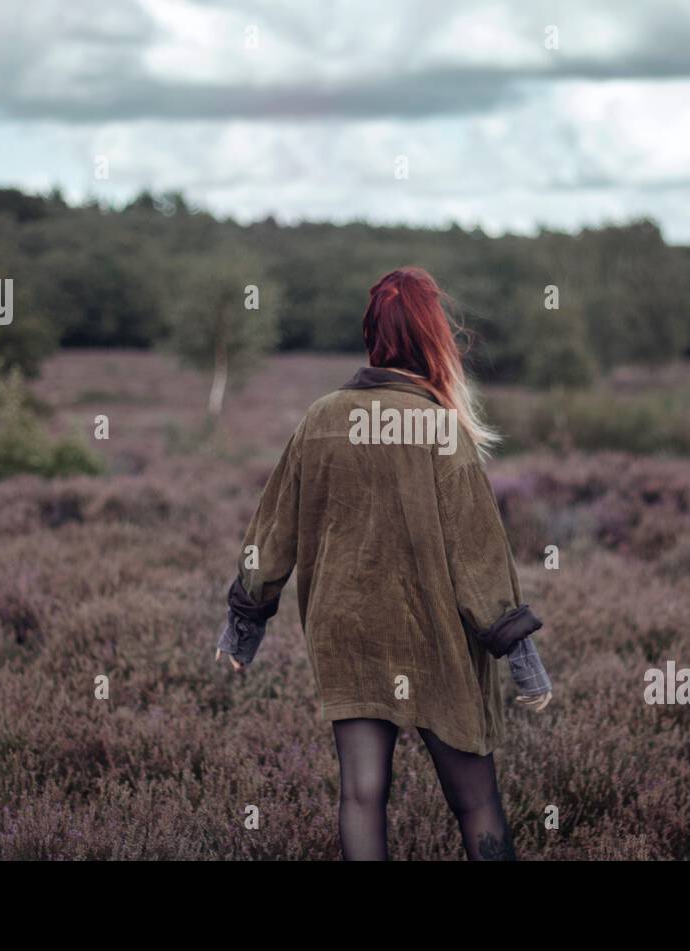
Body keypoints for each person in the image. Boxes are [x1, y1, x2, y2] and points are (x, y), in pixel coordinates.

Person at [216, 266, 551, 861]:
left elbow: (271, 531)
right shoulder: (441, 430)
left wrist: (244, 625)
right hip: (433, 637)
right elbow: (478, 555)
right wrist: (520, 655)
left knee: (362, 794)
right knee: (475, 802)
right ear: (433, 338)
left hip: (348, 632)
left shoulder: (319, 419)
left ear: (373, 334)